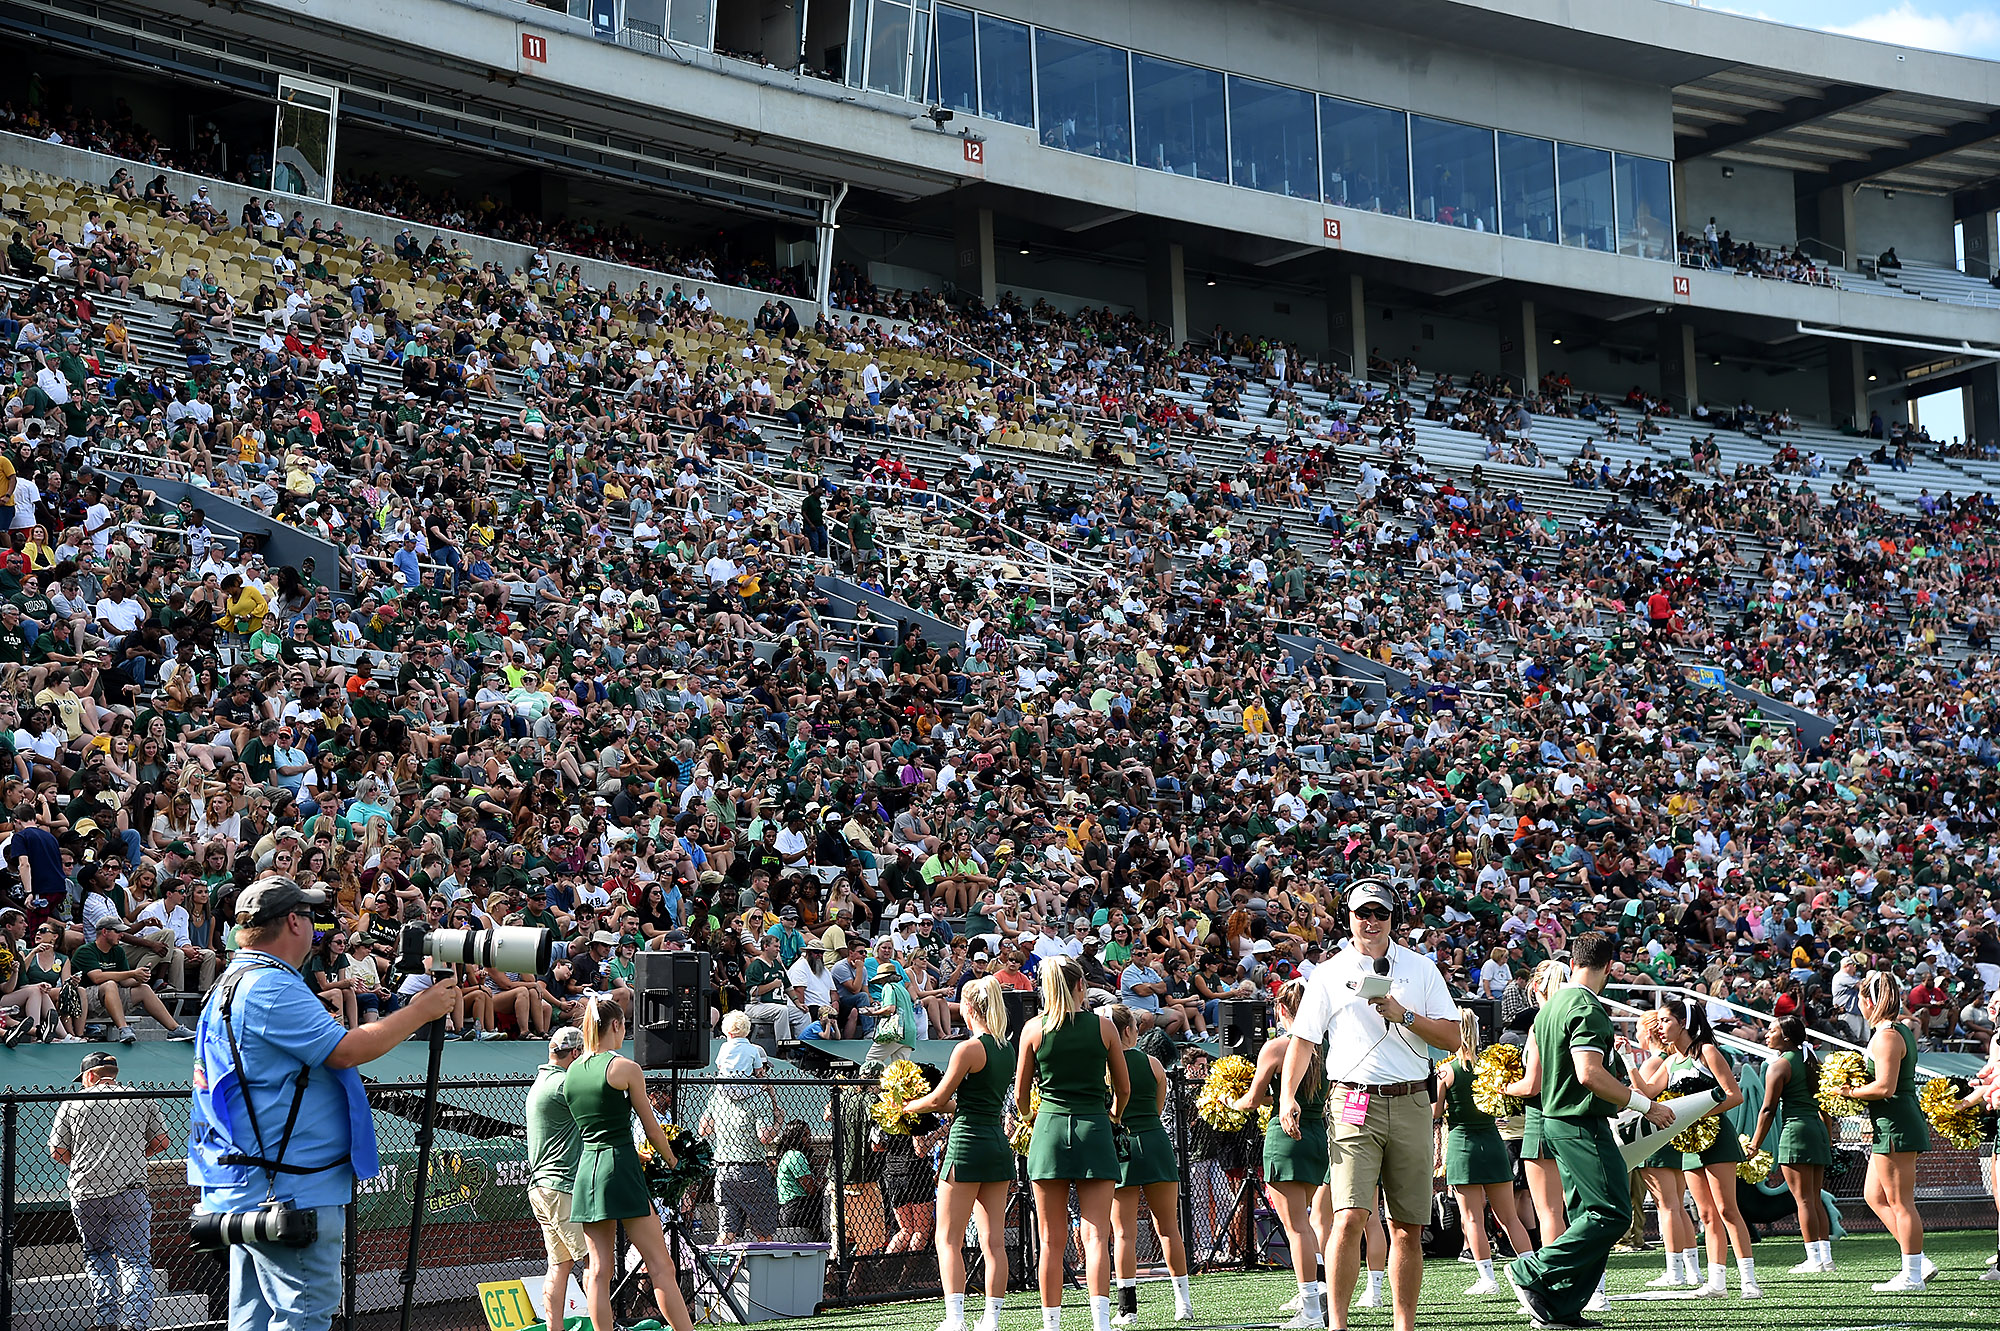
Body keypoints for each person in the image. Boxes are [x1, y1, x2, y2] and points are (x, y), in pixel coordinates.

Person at [189, 877, 460, 1331]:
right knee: (304, 1313)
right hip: (289, 1186)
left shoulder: (231, 982)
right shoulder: (271, 986)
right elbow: (346, 1050)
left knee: (253, 1315)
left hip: (249, 1180)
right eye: (310, 916)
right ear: (293, 922)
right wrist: (421, 1009)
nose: (316, 926)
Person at [1278, 881, 1461, 1331]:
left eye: (1380, 913)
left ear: (1393, 918)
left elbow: (1453, 1038)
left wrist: (1404, 1015)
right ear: (1349, 918)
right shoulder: (1328, 973)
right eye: (1363, 913)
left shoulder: (1421, 968)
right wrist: (1287, 1096)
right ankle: (1337, 1326)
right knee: (1349, 1217)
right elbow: (1302, 1040)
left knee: (1408, 1225)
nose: (1371, 921)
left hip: (1413, 1100)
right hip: (1352, 1100)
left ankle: (1404, 1326)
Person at [1503, 932, 1673, 1331]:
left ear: (1573, 962)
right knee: (1613, 1213)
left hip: (1556, 1122)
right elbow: (1589, 1074)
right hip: (1581, 1121)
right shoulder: (1585, 1007)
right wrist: (1647, 1105)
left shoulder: (1550, 1007)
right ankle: (1532, 1269)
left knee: (1585, 1214)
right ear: (1610, 967)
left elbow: (1542, 1078)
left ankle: (1560, 1305)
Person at [565, 996, 695, 1331]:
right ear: (616, 1025)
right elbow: (651, 1128)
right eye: (625, 1025)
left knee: (598, 1269)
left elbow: (595, 1128)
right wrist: (673, 1161)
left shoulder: (573, 1070)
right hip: (620, 1168)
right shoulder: (625, 1067)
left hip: (588, 1171)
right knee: (661, 1265)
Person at [1014, 953, 1130, 1331]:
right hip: (1094, 1127)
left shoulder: (1033, 1028)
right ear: (1082, 985)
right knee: (1096, 1234)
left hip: (1048, 1130)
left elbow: (1020, 1096)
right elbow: (1123, 1089)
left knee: (1051, 1240)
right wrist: (1112, 1117)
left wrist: (1031, 1119)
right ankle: (1101, 1323)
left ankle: (1052, 1325)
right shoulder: (1104, 1027)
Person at [905, 973, 1015, 1331]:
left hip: (966, 1145)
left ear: (968, 1008)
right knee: (993, 1241)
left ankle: (955, 1320)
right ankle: (991, 1320)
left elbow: (939, 1099)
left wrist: (906, 1106)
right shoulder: (1006, 1049)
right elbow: (971, 1101)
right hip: (996, 1146)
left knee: (947, 1238)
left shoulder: (968, 1048)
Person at [1643, 999, 1759, 1299]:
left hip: (1717, 1137)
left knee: (1727, 1209)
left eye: (1666, 1020)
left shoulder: (1707, 1051)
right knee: (1706, 1214)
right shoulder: (1670, 1062)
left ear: (1683, 1022)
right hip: (1690, 1143)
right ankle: (1717, 1283)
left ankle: (1749, 1281)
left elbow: (1734, 1096)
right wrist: (1627, 1060)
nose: (1660, 1027)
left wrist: (1697, 1114)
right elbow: (1646, 1091)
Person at [1235, 978, 1333, 1327]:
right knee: (1309, 1223)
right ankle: (1318, 1290)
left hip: (1287, 1138)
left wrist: (1228, 1101)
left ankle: (1311, 1309)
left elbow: (1252, 1099)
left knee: (1297, 1229)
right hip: (1319, 1136)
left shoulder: (1277, 1046)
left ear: (1281, 1010)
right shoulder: (1327, 1046)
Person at [52, 1049, 167, 1331]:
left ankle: (105, 1320)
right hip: (130, 1190)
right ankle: (133, 1324)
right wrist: (135, 1155)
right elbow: (162, 1142)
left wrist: (81, 1162)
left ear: (90, 1076)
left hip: (85, 1191)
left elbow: (57, 1151)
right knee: (135, 1260)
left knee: (97, 1254)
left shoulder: (73, 1102)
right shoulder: (140, 1098)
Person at [1433, 1009, 1533, 1298]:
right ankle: (1531, 1270)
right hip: (1493, 1142)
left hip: (1463, 1146)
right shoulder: (1492, 1066)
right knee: (1510, 1217)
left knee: (1472, 1218)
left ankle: (1487, 1278)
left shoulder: (1447, 1070)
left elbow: (1434, 1113)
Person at [1848, 970, 1931, 1292]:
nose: (1859, 1006)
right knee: (1874, 1196)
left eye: (1860, 1000)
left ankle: (1912, 1275)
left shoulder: (1887, 1036)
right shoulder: (1896, 1030)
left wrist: (1848, 1091)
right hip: (1889, 1122)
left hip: (1895, 1123)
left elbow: (1885, 1087)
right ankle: (1918, 1261)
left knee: (1901, 1201)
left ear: (1869, 1001)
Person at [1108, 1004, 1191, 1325]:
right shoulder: (1154, 1063)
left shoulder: (1103, 1066)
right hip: (1155, 1143)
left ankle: (1127, 1309)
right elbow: (1157, 1109)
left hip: (1122, 1146)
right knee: (1169, 1227)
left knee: (1124, 1233)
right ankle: (1183, 1303)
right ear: (1130, 1030)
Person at [1745, 1014, 1835, 1274]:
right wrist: (1827, 1137)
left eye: (1771, 1031)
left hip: (1795, 1132)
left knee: (1803, 1200)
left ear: (1785, 1037)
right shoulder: (1812, 1061)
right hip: (1816, 1130)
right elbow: (1825, 1106)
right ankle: (1826, 1258)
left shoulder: (1779, 1066)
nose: (1766, 1034)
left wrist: (1754, 1145)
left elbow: (1767, 1109)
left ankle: (1813, 1259)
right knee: (1814, 1198)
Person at [1627, 1009, 1700, 1291]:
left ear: (1647, 1032)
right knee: (1676, 1205)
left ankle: (1675, 1271)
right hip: (1674, 1134)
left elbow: (1640, 1095)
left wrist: (1627, 1062)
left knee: (1667, 1205)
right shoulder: (1670, 1058)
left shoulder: (1655, 1061)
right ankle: (1692, 1270)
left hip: (1655, 1137)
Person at [701, 1010, 785, 1244]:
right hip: (752, 1167)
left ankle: (719, 1266)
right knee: (764, 1233)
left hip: (723, 1168)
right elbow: (765, 1136)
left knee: (726, 1232)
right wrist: (778, 1119)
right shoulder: (759, 1096)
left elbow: (704, 1129)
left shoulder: (718, 1094)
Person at [526, 1027, 587, 1316]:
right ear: (575, 1053)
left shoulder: (542, 1081)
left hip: (542, 1187)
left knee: (560, 1264)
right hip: (561, 1187)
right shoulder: (564, 1084)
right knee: (595, 1262)